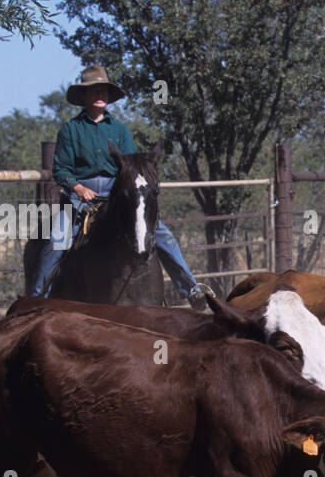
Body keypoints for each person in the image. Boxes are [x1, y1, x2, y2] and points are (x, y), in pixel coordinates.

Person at [30, 64, 209, 308]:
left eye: (104, 90)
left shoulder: (120, 129)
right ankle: (37, 299)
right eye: (94, 91)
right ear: (83, 96)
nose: (100, 95)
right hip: (79, 198)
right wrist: (78, 188)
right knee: (55, 240)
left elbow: (131, 168)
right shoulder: (71, 130)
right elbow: (60, 170)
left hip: (118, 194)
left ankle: (191, 289)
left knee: (163, 235)